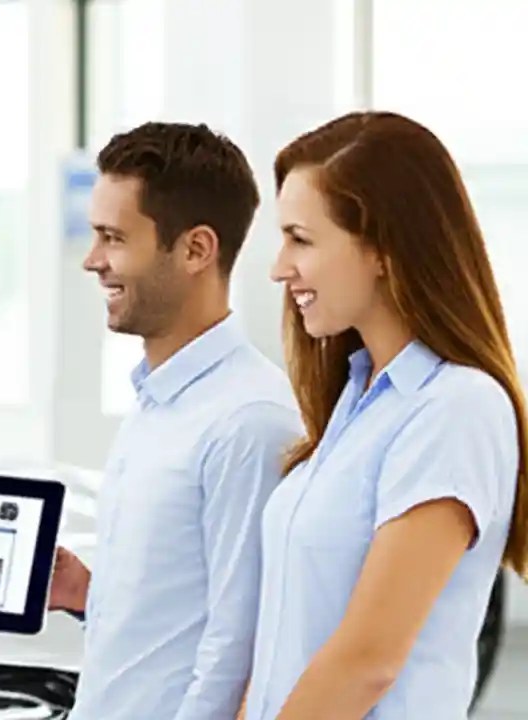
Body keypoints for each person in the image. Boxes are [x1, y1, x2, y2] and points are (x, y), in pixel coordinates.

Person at [242, 111, 528, 719]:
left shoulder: (457, 409)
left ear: (381, 249)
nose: (278, 266)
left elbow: (369, 660)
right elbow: (283, 648)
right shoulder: (355, 401)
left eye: (302, 238)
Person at [47, 122, 302, 719]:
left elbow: (236, 651)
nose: (93, 261)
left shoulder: (250, 421)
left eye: (113, 238)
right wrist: (89, 594)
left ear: (195, 250)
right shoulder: (161, 401)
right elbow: (183, 612)